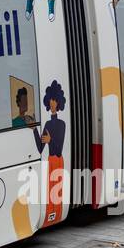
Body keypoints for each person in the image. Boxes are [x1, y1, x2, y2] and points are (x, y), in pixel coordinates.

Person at [40, 81, 67, 225]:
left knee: (57, 190)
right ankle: (51, 212)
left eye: (54, 100)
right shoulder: (47, 124)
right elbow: (40, 148)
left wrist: (50, 140)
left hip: (58, 159)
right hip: (51, 160)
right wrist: (33, 129)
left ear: (58, 102)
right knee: (50, 190)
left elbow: (59, 147)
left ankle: (57, 212)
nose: (52, 103)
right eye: (50, 100)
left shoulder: (62, 124)